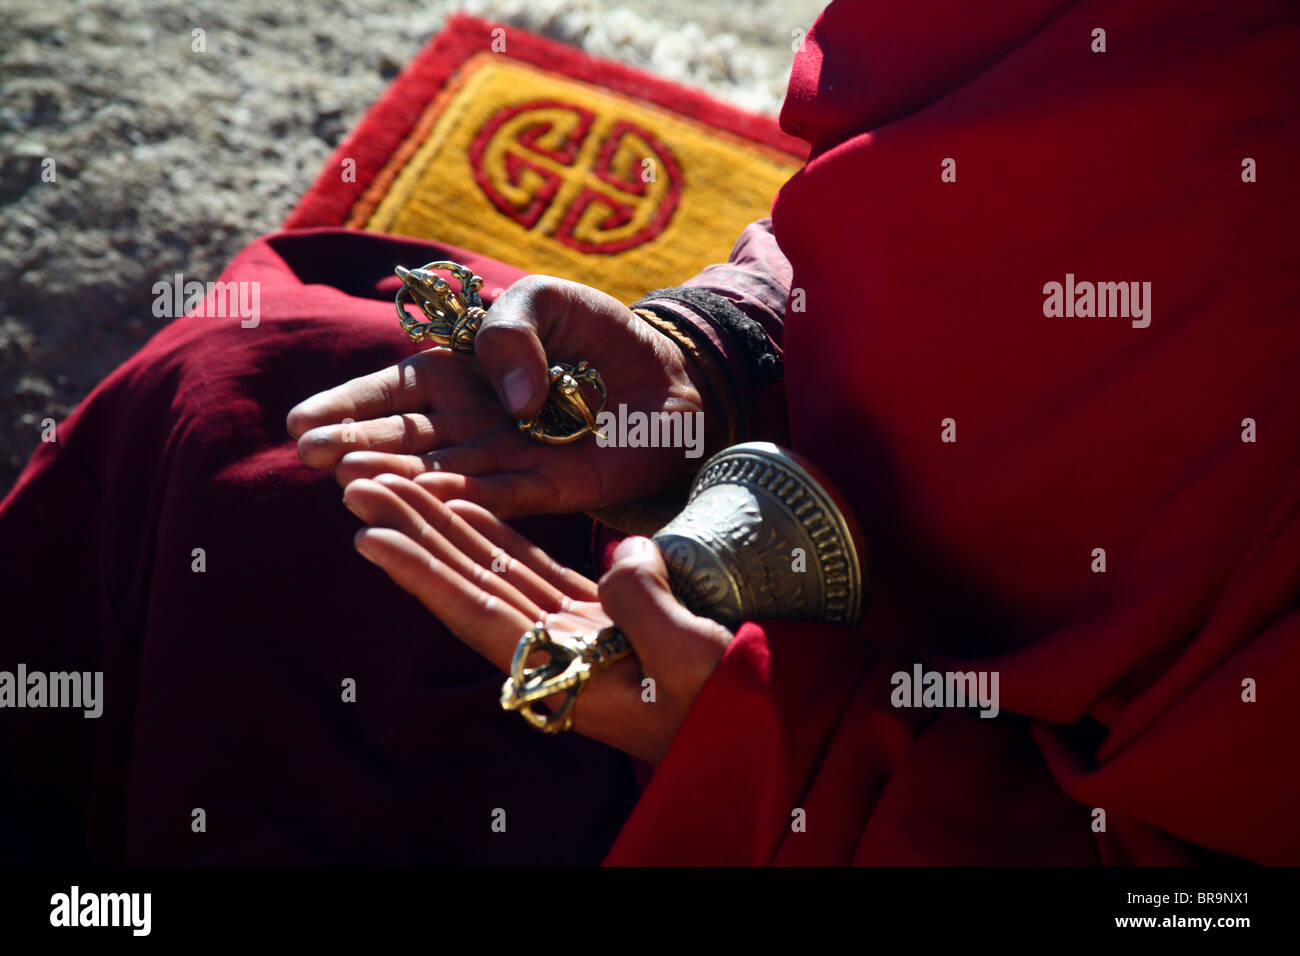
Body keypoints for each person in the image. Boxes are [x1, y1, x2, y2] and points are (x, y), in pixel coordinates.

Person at [2, 0, 1297, 865]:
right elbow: (951, 179)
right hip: (804, 520)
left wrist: (800, 776)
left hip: (917, 817)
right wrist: (715, 355)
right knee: (266, 414)